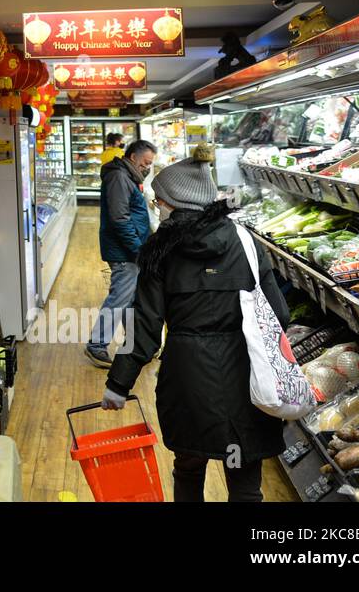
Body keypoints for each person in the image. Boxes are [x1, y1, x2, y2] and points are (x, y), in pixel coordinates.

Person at [100, 148, 288, 502]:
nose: (157, 206)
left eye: (159, 200)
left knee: (188, 468)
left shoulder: (160, 250)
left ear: (174, 202)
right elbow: (279, 313)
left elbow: (145, 326)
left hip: (187, 376)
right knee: (245, 480)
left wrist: (118, 384)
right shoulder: (246, 241)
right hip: (246, 373)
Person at [86, 139, 155, 368]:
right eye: (146, 163)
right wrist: (138, 249)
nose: (147, 168)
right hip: (125, 251)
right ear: (133, 157)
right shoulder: (119, 177)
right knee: (120, 298)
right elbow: (119, 218)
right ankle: (97, 345)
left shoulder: (127, 176)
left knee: (129, 299)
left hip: (128, 249)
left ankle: (134, 344)